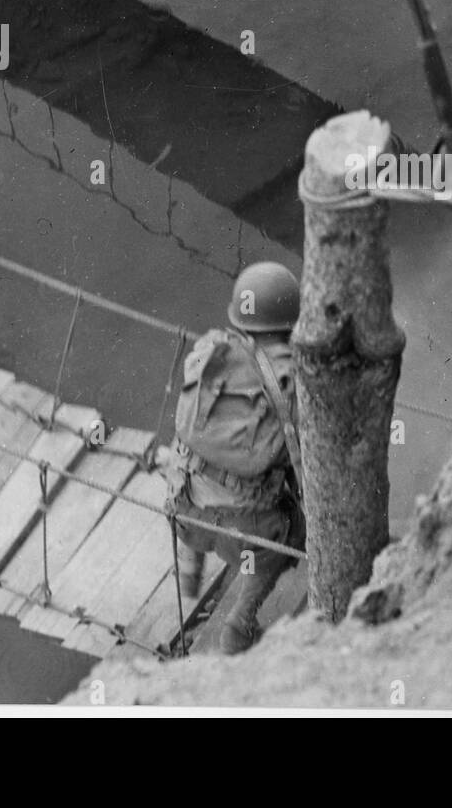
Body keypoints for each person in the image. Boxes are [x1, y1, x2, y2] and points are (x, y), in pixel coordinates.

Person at [162, 261, 305, 655]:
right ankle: (238, 626)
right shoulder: (293, 379)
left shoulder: (211, 352)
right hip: (240, 537)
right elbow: (301, 459)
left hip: (182, 513)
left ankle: (189, 571)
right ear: (290, 321)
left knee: (195, 468)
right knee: (293, 531)